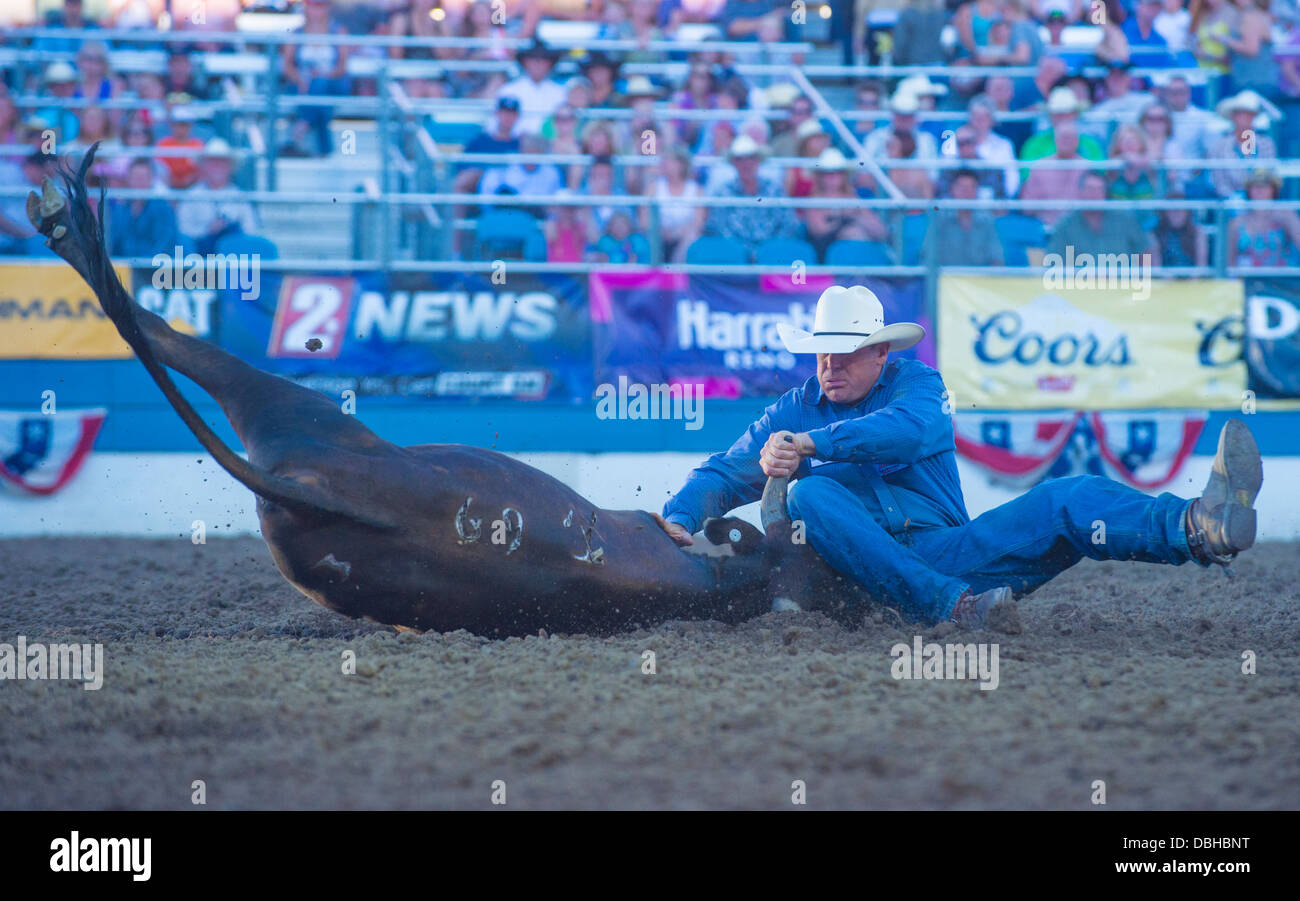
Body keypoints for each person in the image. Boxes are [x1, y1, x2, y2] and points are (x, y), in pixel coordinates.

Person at [653, 284, 1264, 630]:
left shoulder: (916, 388)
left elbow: (908, 432)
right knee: (812, 495)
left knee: (1068, 496)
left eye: (844, 353)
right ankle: (953, 607)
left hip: (946, 555)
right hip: (871, 575)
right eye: (822, 353)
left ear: (880, 355)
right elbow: (727, 467)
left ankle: (1198, 526)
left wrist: (813, 444)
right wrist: (679, 515)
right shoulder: (794, 407)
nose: (829, 365)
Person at [704, 135, 799, 258]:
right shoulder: (723, 193)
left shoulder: (774, 190)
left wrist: (768, 250)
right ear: (733, 163)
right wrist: (744, 253)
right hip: (735, 257)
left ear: (758, 160)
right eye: (740, 159)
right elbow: (720, 229)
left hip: (772, 255)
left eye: (751, 158)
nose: (746, 164)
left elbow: (788, 223)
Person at [175, 138, 259, 253]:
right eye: (212, 162)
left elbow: (251, 230)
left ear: (230, 167)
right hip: (200, 260)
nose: (217, 166)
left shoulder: (239, 197)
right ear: (204, 166)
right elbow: (182, 231)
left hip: (233, 260)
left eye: (222, 162)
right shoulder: (191, 196)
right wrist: (207, 230)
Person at [1048, 170, 1155, 257]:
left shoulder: (1125, 220)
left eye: (1099, 190)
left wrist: (1143, 280)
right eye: (1090, 189)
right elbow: (1056, 263)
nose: (1094, 194)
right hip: (1080, 282)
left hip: (1121, 282)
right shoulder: (1065, 225)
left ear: (1105, 194)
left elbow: (1145, 251)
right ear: (1080, 192)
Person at [107, 156, 181, 258]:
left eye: (144, 177)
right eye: (136, 177)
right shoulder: (120, 210)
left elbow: (164, 246)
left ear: (151, 179)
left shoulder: (164, 209)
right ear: (128, 179)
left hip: (154, 268)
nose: (139, 181)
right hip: (124, 267)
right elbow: (115, 243)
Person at [1226, 169, 1300, 266]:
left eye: (1265, 185)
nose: (1260, 189)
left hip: (1279, 278)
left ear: (1274, 189)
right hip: (1246, 279)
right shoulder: (1236, 223)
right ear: (1248, 189)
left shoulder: (1287, 216)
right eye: (1255, 185)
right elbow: (1229, 261)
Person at [931, 169, 1003, 266]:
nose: (966, 192)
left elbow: (997, 258)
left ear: (977, 191)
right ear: (952, 189)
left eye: (971, 188)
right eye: (962, 187)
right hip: (946, 277)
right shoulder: (940, 219)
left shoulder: (987, 219)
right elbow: (928, 256)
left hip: (979, 278)